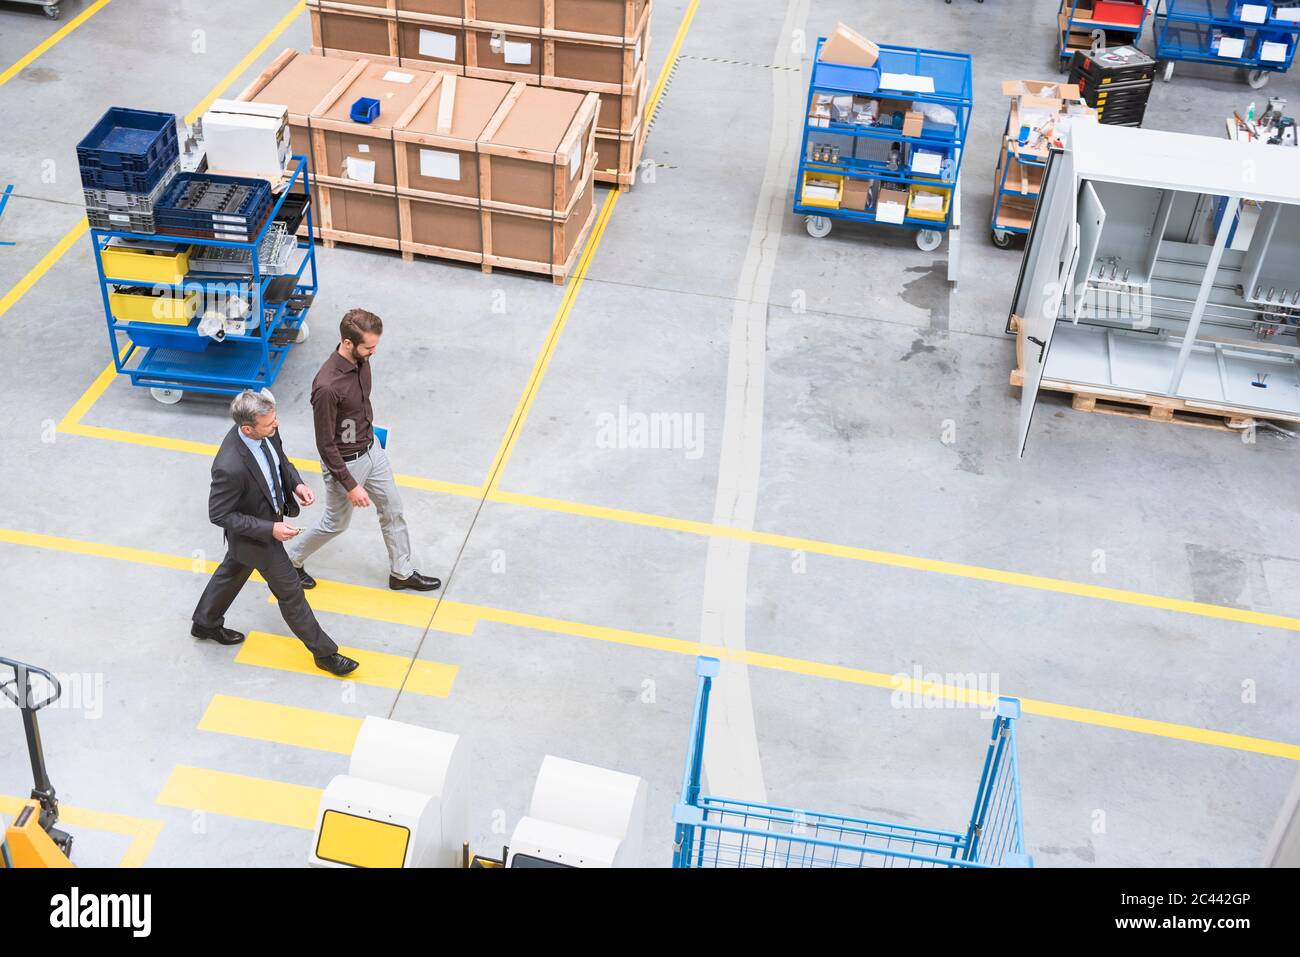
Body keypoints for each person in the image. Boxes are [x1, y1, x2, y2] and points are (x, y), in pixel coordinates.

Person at [191, 389, 359, 676]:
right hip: (257, 536)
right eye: (269, 424)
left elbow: (279, 459)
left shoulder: (265, 430)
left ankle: (205, 623)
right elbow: (219, 514)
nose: (276, 425)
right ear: (247, 428)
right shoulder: (229, 466)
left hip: (265, 525)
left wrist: (296, 484)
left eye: (275, 420)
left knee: (233, 570)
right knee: (290, 592)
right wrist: (271, 529)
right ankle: (325, 654)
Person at [287, 309, 441, 593]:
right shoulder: (327, 387)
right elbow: (325, 444)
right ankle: (290, 560)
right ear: (347, 343)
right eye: (369, 347)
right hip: (345, 464)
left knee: (393, 509)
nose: (374, 352)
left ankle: (402, 572)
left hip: (372, 450)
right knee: (336, 523)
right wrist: (351, 485)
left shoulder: (361, 360)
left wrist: (372, 439)